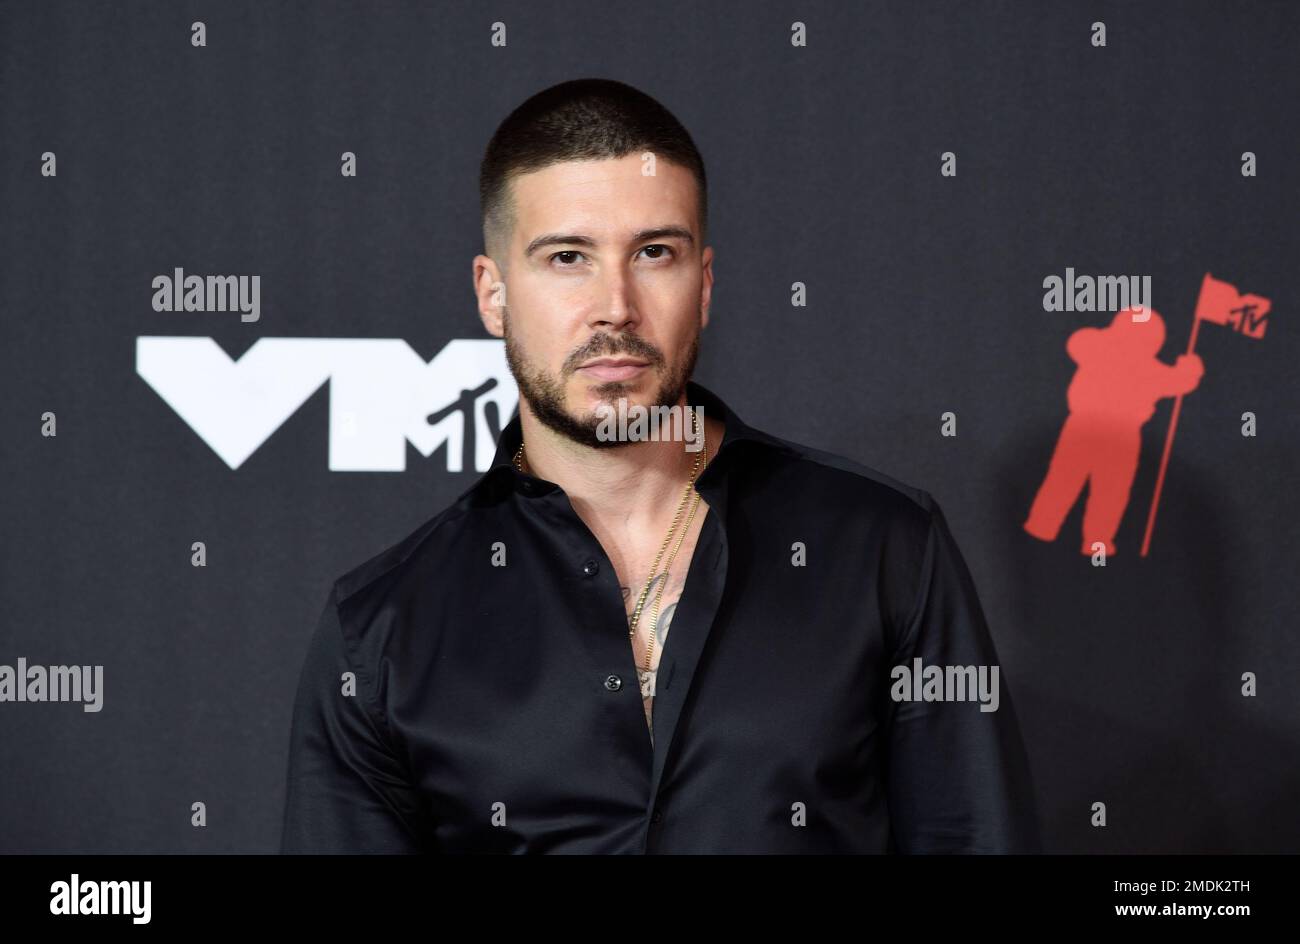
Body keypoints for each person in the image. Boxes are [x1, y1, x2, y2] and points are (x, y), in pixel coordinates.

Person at [280, 77, 1040, 854]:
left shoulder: (882, 549)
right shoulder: (381, 628)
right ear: (493, 294)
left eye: (654, 253)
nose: (615, 305)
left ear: (703, 286)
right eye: (567, 257)